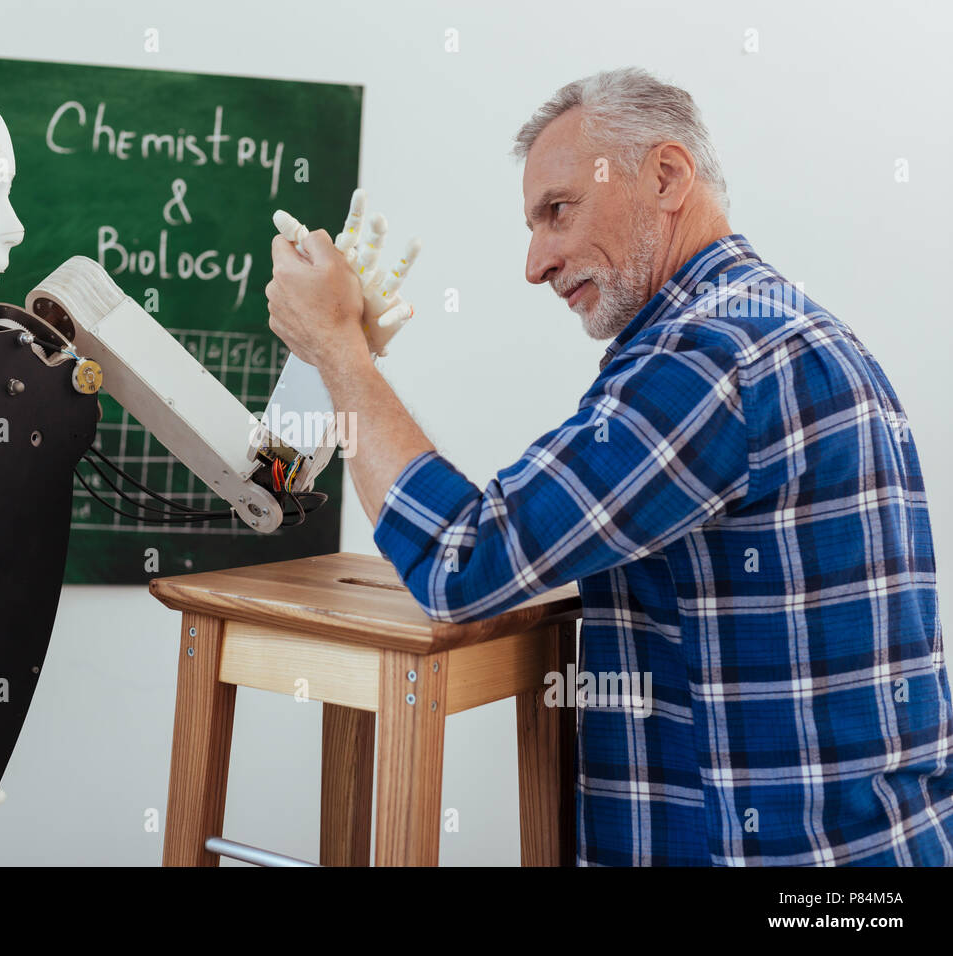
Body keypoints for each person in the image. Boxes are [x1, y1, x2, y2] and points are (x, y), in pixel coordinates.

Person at [265, 67, 952, 866]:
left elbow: (462, 562)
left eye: (558, 212)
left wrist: (340, 353)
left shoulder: (712, 360)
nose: (536, 262)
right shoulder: (768, 327)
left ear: (666, 176)